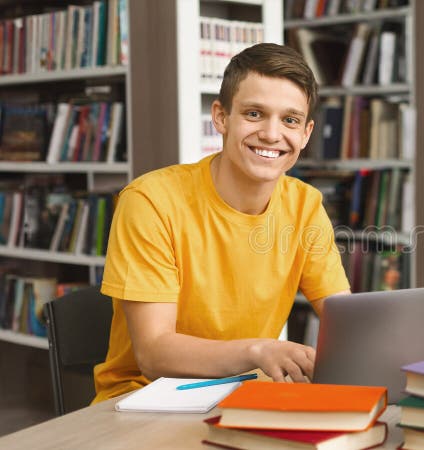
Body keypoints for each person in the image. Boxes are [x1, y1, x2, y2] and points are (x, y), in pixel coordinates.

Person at [92, 43, 351, 403]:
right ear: (221, 117)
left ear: (306, 133)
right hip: (143, 400)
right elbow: (153, 354)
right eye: (255, 113)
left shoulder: (305, 206)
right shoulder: (150, 201)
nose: (273, 135)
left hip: (244, 395)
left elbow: (347, 322)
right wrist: (258, 352)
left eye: (290, 120)